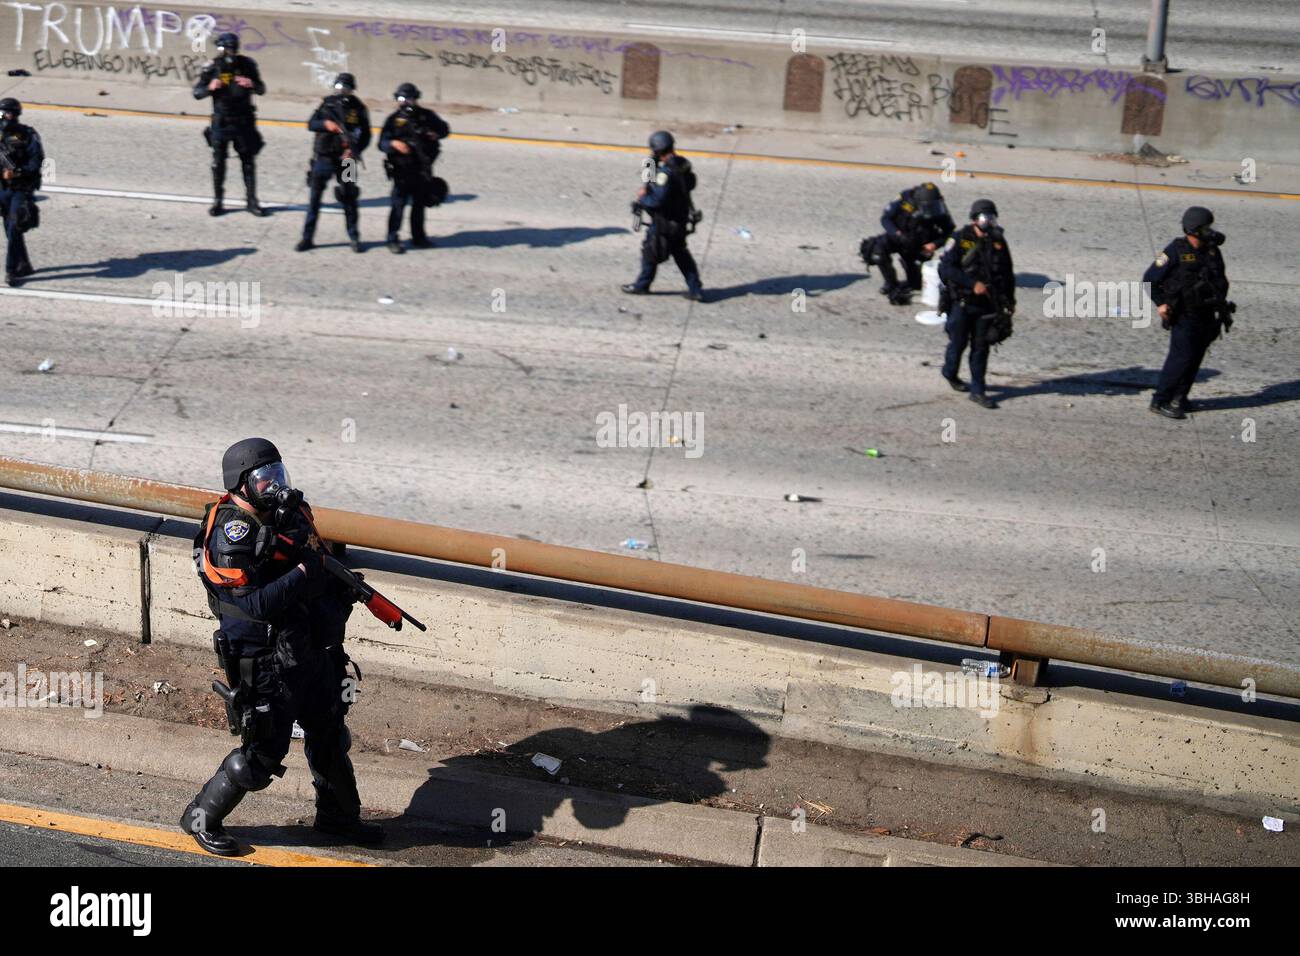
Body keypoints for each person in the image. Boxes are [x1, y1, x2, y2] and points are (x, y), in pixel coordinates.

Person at [181, 438, 383, 855]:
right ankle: (200, 817)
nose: (275, 485)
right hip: (263, 658)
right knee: (261, 754)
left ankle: (338, 818)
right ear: (241, 485)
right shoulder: (231, 532)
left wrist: (341, 586)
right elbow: (253, 604)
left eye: (278, 474)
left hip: (308, 647)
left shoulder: (291, 513)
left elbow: (319, 559)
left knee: (329, 733)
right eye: (264, 478)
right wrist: (305, 573)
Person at [1144, 207, 1233, 420]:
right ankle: (1161, 400)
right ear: (1193, 229)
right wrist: (1161, 304)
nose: (1210, 231)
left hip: (1207, 314)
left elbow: (1220, 279)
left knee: (1195, 359)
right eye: (1205, 228)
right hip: (1184, 315)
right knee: (1181, 359)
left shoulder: (1212, 250)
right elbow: (1149, 280)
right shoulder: (1175, 251)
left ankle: (1180, 397)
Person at [938, 199, 1016, 409]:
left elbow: (1007, 273)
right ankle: (950, 372)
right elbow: (946, 269)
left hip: (988, 306)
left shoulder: (998, 240)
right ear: (974, 219)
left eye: (992, 217)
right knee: (958, 343)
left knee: (981, 348)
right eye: (984, 217)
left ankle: (977, 390)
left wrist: (1010, 301)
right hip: (963, 303)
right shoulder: (960, 239)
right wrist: (972, 284)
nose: (988, 222)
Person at [622, 130, 704, 302]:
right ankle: (695, 288)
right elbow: (690, 183)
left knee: (650, 252)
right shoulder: (683, 163)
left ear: (659, 150)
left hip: (665, 222)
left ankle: (642, 285)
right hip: (680, 219)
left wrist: (642, 198)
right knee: (681, 254)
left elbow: (657, 200)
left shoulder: (665, 174)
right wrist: (650, 167)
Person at [193, 33, 268, 217]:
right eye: (227, 49)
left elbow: (262, 88)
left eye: (233, 49)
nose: (230, 53)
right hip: (222, 120)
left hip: (244, 119)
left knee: (248, 162)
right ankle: (218, 200)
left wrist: (251, 83)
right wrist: (210, 87)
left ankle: (252, 200)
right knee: (218, 162)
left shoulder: (248, 64)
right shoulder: (212, 67)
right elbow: (197, 92)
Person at [299, 73, 371, 253]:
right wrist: (326, 125)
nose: (342, 91)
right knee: (315, 199)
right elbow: (311, 124)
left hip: (348, 161)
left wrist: (354, 152)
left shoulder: (359, 108)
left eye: (346, 88)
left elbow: (366, 135)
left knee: (350, 198)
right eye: (339, 87)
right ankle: (307, 238)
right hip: (324, 157)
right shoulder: (327, 104)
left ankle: (354, 237)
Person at [378, 83, 450, 254]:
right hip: (402, 171)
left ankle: (418, 237)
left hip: (422, 169)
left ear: (416, 99)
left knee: (419, 205)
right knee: (398, 205)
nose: (405, 103)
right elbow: (382, 143)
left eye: (409, 99)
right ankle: (392, 238)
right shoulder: (393, 120)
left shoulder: (427, 116)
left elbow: (445, 130)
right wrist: (394, 144)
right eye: (401, 99)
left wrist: (435, 134)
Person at [862, 182, 954, 305]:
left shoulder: (938, 207)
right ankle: (891, 283)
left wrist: (934, 244)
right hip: (899, 237)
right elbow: (886, 218)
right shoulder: (905, 198)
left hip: (919, 245)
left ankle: (911, 276)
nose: (931, 210)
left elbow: (949, 232)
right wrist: (897, 233)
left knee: (916, 284)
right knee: (878, 250)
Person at [0, 97, 43, 287]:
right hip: (2, 189)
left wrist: (17, 172)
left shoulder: (27, 134)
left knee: (15, 225)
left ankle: (11, 271)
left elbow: (36, 161)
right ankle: (24, 263)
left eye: (8, 112)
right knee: (11, 231)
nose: (5, 116)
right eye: (2, 113)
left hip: (20, 188)